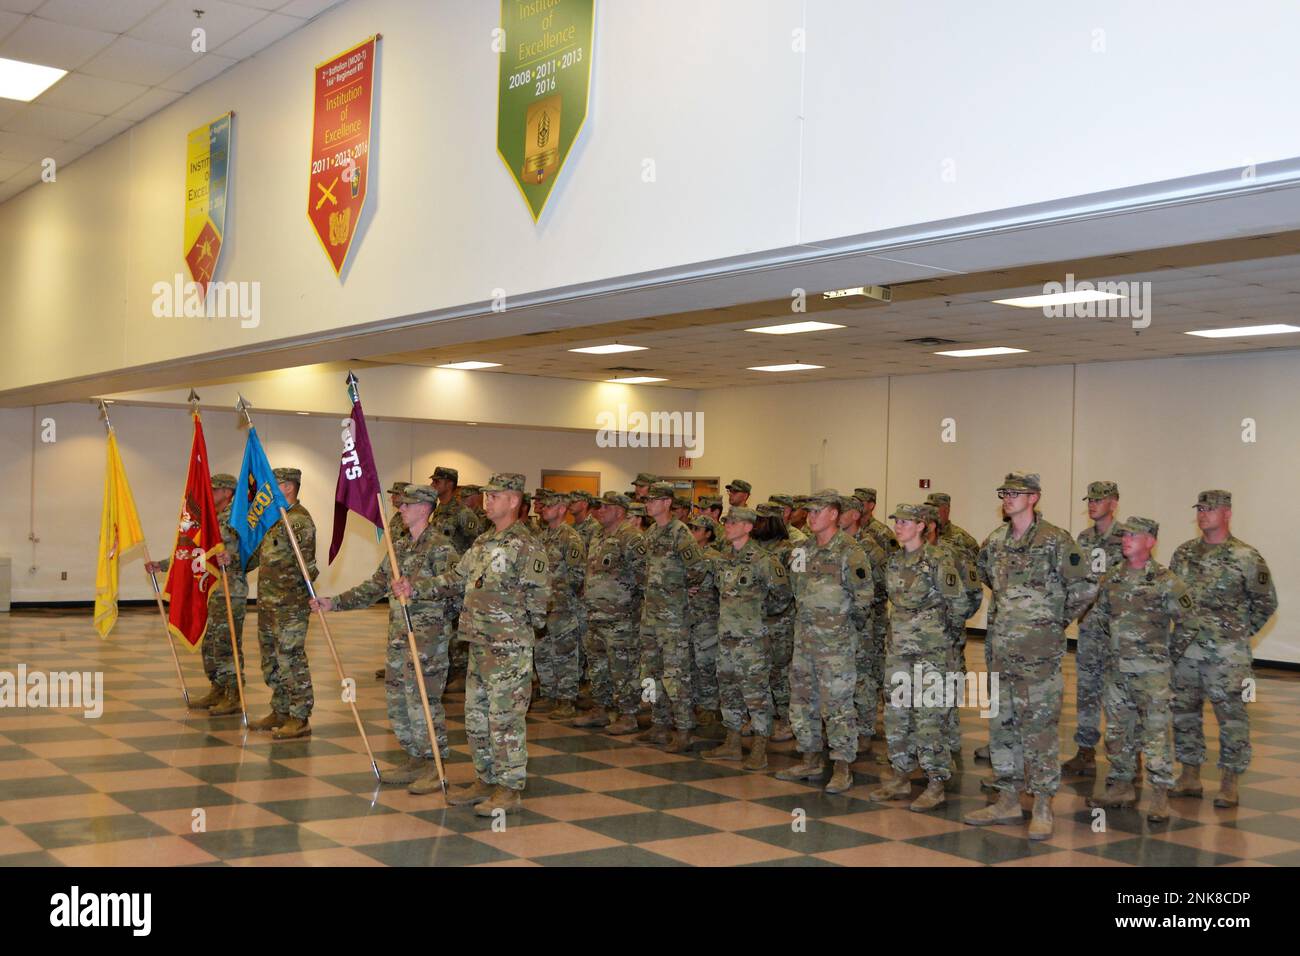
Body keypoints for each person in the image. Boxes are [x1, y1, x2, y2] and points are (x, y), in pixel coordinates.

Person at [399, 472, 550, 816]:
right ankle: (485, 780)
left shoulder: (526, 545)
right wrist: (416, 588)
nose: (487, 501)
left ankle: (509, 789)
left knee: (505, 720)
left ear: (513, 500)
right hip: (478, 644)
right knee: (477, 718)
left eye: (495, 496)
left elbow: (539, 599)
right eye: (486, 495)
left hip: (508, 648)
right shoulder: (483, 542)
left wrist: (514, 631)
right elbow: (456, 578)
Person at [964, 472, 1091, 840]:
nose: (1007, 498)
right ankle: (1006, 799)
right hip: (1002, 652)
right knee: (1002, 727)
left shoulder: (1055, 540)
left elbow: (1084, 586)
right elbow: (985, 575)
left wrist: (1053, 622)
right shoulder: (996, 541)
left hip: (1040, 656)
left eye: (1016, 493)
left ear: (1034, 497)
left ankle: (1042, 805)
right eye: (1004, 491)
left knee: (1039, 730)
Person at [312, 485, 460, 794]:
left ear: (424, 508)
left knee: (423, 701)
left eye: (407, 505)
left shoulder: (441, 546)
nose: (401, 509)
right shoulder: (401, 547)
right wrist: (334, 602)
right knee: (398, 701)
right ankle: (415, 758)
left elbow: (455, 583)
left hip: (427, 639)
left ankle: (434, 766)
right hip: (398, 639)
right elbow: (376, 585)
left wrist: (416, 588)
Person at [1169, 490, 1278, 808]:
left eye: (1211, 509)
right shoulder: (1183, 553)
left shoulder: (1246, 557)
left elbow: (1266, 602)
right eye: (1200, 508)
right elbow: (1172, 597)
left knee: (1232, 717)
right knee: (1184, 714)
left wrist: (1240, 635)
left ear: (1227, 514)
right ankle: (1189, 775)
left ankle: (1229, 781)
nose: (1204, 514)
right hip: (1187, 653)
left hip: (1228, 659)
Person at [1084, 517, 1188, 822]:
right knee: (1118, 732)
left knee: (1155, 734)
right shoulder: (1113, 577)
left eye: (1134, 535)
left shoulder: (1166, 580)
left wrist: (1167, 655)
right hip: (1117, 673)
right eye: (1125, 534)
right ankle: (1121, 785)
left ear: (1150, 542)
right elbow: (1101, 615)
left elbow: (1189, 620)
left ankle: (1159, 795)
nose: (1126, 539)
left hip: (1152, 674)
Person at [775, 490, 875, 794]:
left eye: (817, 511)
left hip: (836, 645)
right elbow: (795, 589)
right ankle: (810, 758)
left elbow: (863, 598)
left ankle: (843, 767)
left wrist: (841, 630)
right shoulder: (802, 549)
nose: (811, 516)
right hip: (804, 640)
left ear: (834, 513)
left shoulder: (850, 551)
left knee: (838, 704)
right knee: (803, 701)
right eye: (809, 511)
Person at [870, 503, 964, 811]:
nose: (898, 526)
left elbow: (960, 605)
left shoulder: (939, 559)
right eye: (896, 521)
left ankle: (936, 783)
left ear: (922, 526)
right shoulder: (894, 561)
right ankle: (900, 775)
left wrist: (938, 634)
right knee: (897, 714)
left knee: (929, 718)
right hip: (899, 650)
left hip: (931, 652)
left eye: (906, 522)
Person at [145, 472, 247, 716]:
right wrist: (162, 565)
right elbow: (194, 552)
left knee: (227, 644)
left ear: (226, 493)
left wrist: (232, 558)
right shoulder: (209, 520)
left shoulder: (238, 519)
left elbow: (251, 554)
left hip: (230, 591)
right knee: (211, 643)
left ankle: (234, 695)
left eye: (213, 490)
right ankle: (218, 688)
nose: (208, 494)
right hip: (209, 590)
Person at [705, 507, 791, 770]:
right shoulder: (723, 559)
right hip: (727, 637)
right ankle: (732, 742)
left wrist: (757, 615)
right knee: (728, 690)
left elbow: (782, 597)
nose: (727, 526)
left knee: (756, 694)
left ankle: (759, 748)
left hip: (752, 640)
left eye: (733, 522)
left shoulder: (764, 560)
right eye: (726, 522)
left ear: (748, 527)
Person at [636, 482, 709, 753]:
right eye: (647, 500)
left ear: (667, 503)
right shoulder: (652, 532)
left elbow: (698, 567)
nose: (648, 504)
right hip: (651, 615)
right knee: (650, 673)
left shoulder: (681, 533)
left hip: (673, 618)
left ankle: (683, 729)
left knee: (676, 676)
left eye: (653, 500)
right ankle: (658, 723)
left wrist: (682, 589)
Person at [249, 467, 318, 740]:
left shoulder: (299, 521)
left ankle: (299, 717)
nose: (269, 489)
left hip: (290, 605)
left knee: (291, 659)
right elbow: (260, 556)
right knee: (271, 659)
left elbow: (308, 567)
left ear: (289, 486)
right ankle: (280, 709)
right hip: (268, 602)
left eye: (275, 484)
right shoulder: (274, 518)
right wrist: (235, 561)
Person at [1063, 480, 1125, 776]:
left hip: (1117, 632)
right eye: (1090, 500)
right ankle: (1085, 750)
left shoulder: (1127, 537)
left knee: (1120, 695)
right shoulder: (1083, 539)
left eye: (1099, 500)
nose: (1092, 504)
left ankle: (1125, 758)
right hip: (1089, 628)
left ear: (1113, 503)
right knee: (1087, 690)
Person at [573, 492, 646, 734]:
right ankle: (601, 709)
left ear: (619, 511)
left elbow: (644, 576)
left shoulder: (631, 537)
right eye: (599, 506)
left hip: (621, 619)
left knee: (623, 669)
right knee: (598, 667)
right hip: (595, 615)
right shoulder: (597, 535)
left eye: (606, 506)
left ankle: (628, 715)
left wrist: (633, 608)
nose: (599, 510)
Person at [533, 491, 586, 721]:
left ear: (562, 509)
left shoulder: (570, 537)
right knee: (543, 653)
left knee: (564, 655)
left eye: (550, 506)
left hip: (563, 606)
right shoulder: (543, 536)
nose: (544, 509)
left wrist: (561, 594)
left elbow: (578, 575)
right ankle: (549, 694)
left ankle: (566, 700)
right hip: (543, 606)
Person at [752, 502, 796, 742]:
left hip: (780, 620)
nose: (756, 525)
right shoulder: (754, 547)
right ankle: (762, 718)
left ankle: (787, 720)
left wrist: (773, 609)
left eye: (760, 520)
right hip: (756, 620)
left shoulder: (788, 549)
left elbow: (789, 588)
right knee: (759, 673)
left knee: (780, 673)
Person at [687, 514, 724, 739]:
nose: (692, 531)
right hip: (687, 618)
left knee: (705, 664)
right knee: (690, 663)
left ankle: (709, 707)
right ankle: (694, 704)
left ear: (708, 533)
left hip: (707, 619)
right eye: (690, 527)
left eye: (697, 529)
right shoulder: (687, 556)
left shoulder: (714, 558)